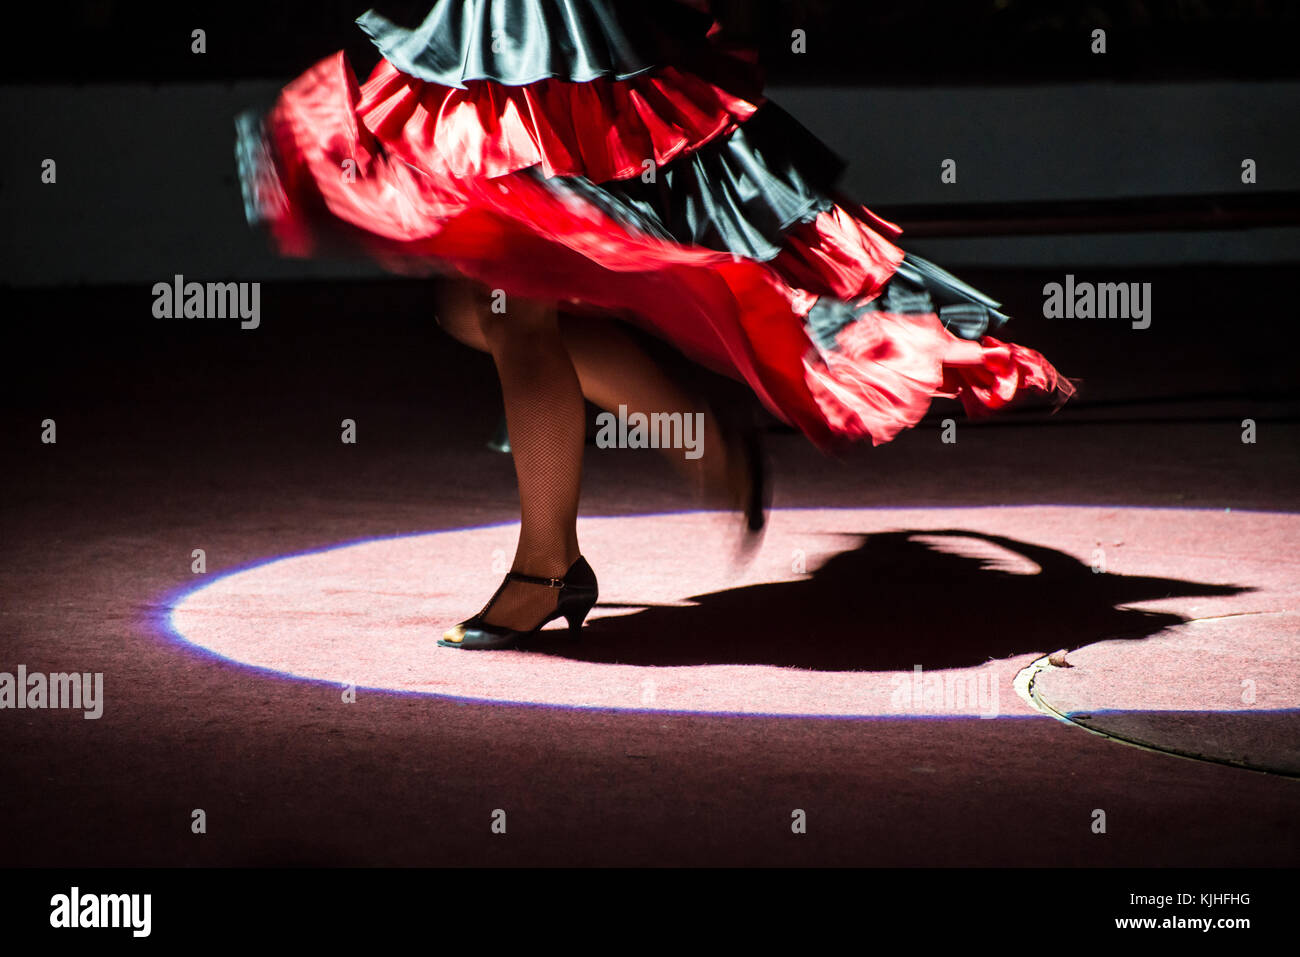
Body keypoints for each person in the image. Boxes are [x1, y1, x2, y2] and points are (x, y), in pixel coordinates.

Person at [235, 0, 1075, 650]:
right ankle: (697, 436)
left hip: (544, 29)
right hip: (492, 26)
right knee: (478, 305)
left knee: (505, 306)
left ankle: (549, 564)